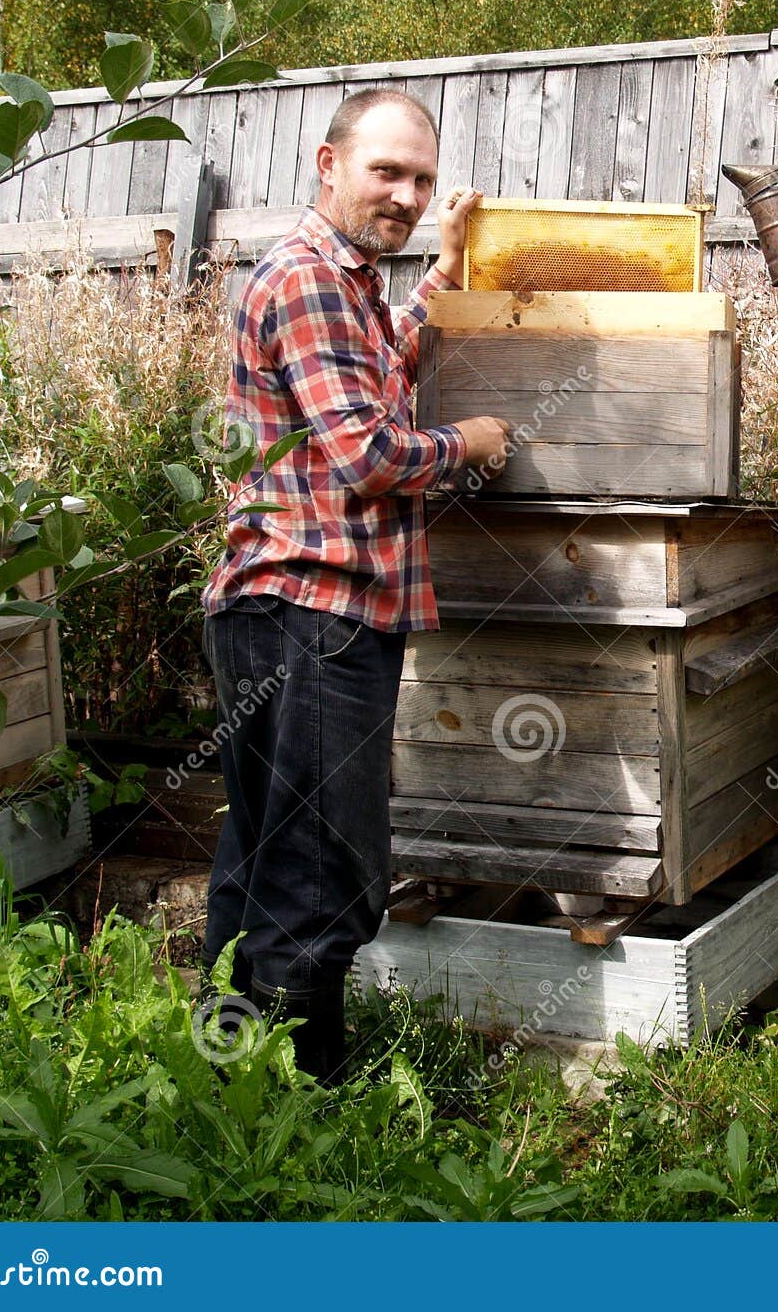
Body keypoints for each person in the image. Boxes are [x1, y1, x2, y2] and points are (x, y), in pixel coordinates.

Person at [197, 89, 512, 1085]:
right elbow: (369, 456)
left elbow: (371, 375)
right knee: (325, 881)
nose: (407, 195)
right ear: (328, 163)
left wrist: (447, 272)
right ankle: (306, 1117)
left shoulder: (346, 283)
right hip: (314, 617)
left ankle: (226, 1086)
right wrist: (470, 442)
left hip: (286, 617)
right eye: (387, 172)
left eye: (420, 178)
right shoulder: (310, 282)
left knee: (261, 867)